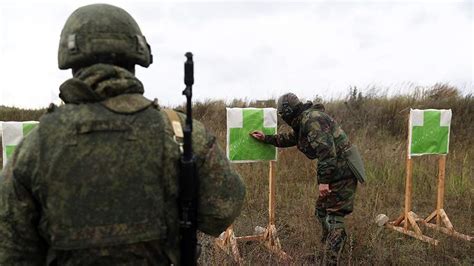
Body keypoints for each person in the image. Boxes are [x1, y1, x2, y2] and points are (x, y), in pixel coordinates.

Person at [0, 4, 245, 265]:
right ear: (136, 57)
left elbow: (12, 252)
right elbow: (222, 210)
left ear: (71, 60)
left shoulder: (36, 146)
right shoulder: (180, 133)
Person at [251, 93, 365, 264]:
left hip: (342, 171)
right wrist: (266, 138)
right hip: (337, 168)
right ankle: (328, 248)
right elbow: (293, 138)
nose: (283, 118)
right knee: (321, 209)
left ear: (288, 112)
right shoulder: (305, 120)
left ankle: (330, 259)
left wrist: (324, 181)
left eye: (282, 114)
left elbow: (327, 152)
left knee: (335, 215)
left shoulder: (311, 120)